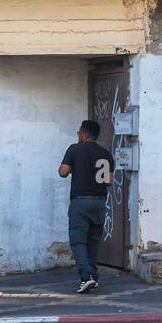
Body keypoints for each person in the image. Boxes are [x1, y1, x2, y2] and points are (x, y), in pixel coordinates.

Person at [59, 120, 114, 293]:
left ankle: (86, 276)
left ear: (83, 134)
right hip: (99, 201)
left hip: (81, 201)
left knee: (78, 241)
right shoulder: (106, 154)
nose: (77, 136)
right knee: (93, 242)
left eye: (78, 133)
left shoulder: (74, 149)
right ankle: (94, 277)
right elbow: (109, 180)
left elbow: (63, 172)